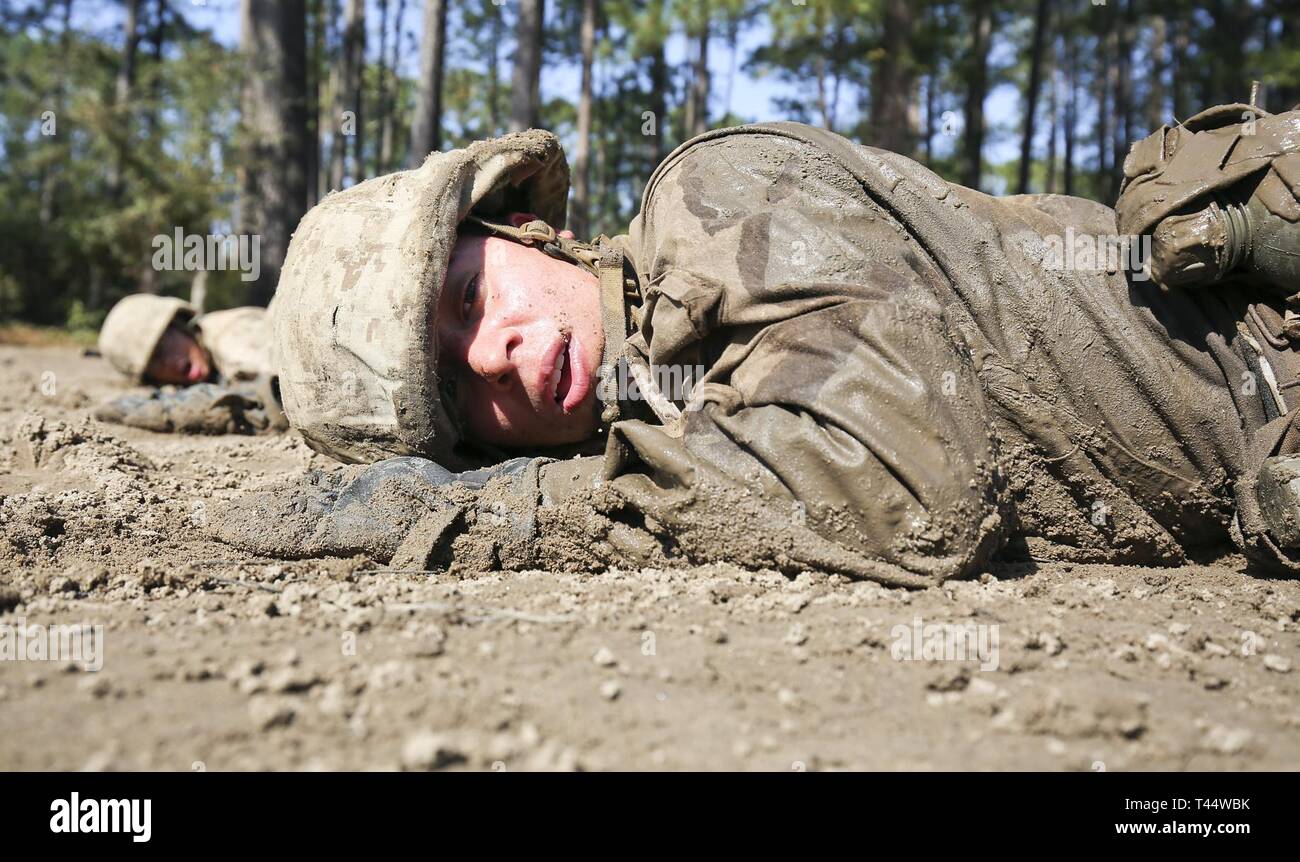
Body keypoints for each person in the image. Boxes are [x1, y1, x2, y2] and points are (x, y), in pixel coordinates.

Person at [211, 103, 1300, 586]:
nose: (491, 357)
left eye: (463, 302)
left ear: (515, 227)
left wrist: (490, 511)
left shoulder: (712, 198)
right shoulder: (658, 421)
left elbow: (915, 494)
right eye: (457, 399)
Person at [94, 294, 284, 434]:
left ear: (179, 325)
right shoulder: (198, 375)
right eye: (155, 363)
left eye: (163, 348)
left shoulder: (231, 337)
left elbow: (281, 393)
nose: (169, 362)